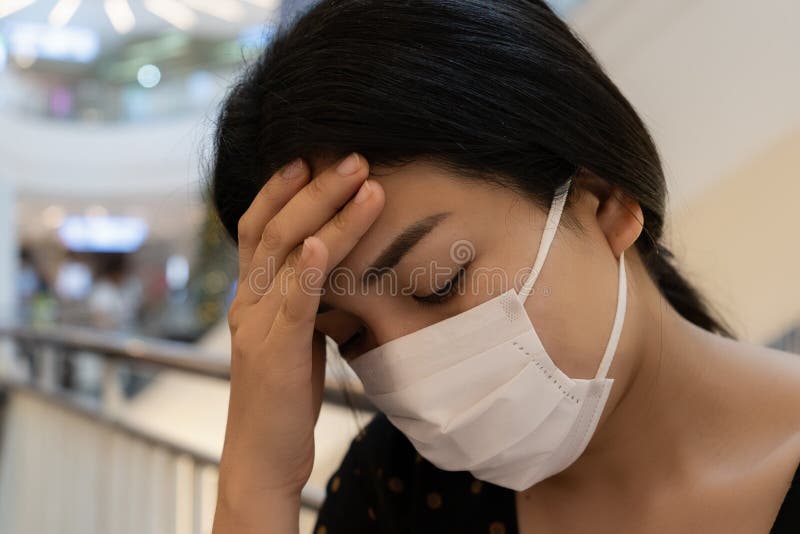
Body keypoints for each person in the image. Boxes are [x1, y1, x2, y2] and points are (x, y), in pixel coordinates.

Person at [207, 1, 800, 532]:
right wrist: (256, 484)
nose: (413, 375)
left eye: (438, 282)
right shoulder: (393, 493)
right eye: (353, 335)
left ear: (605, 196)